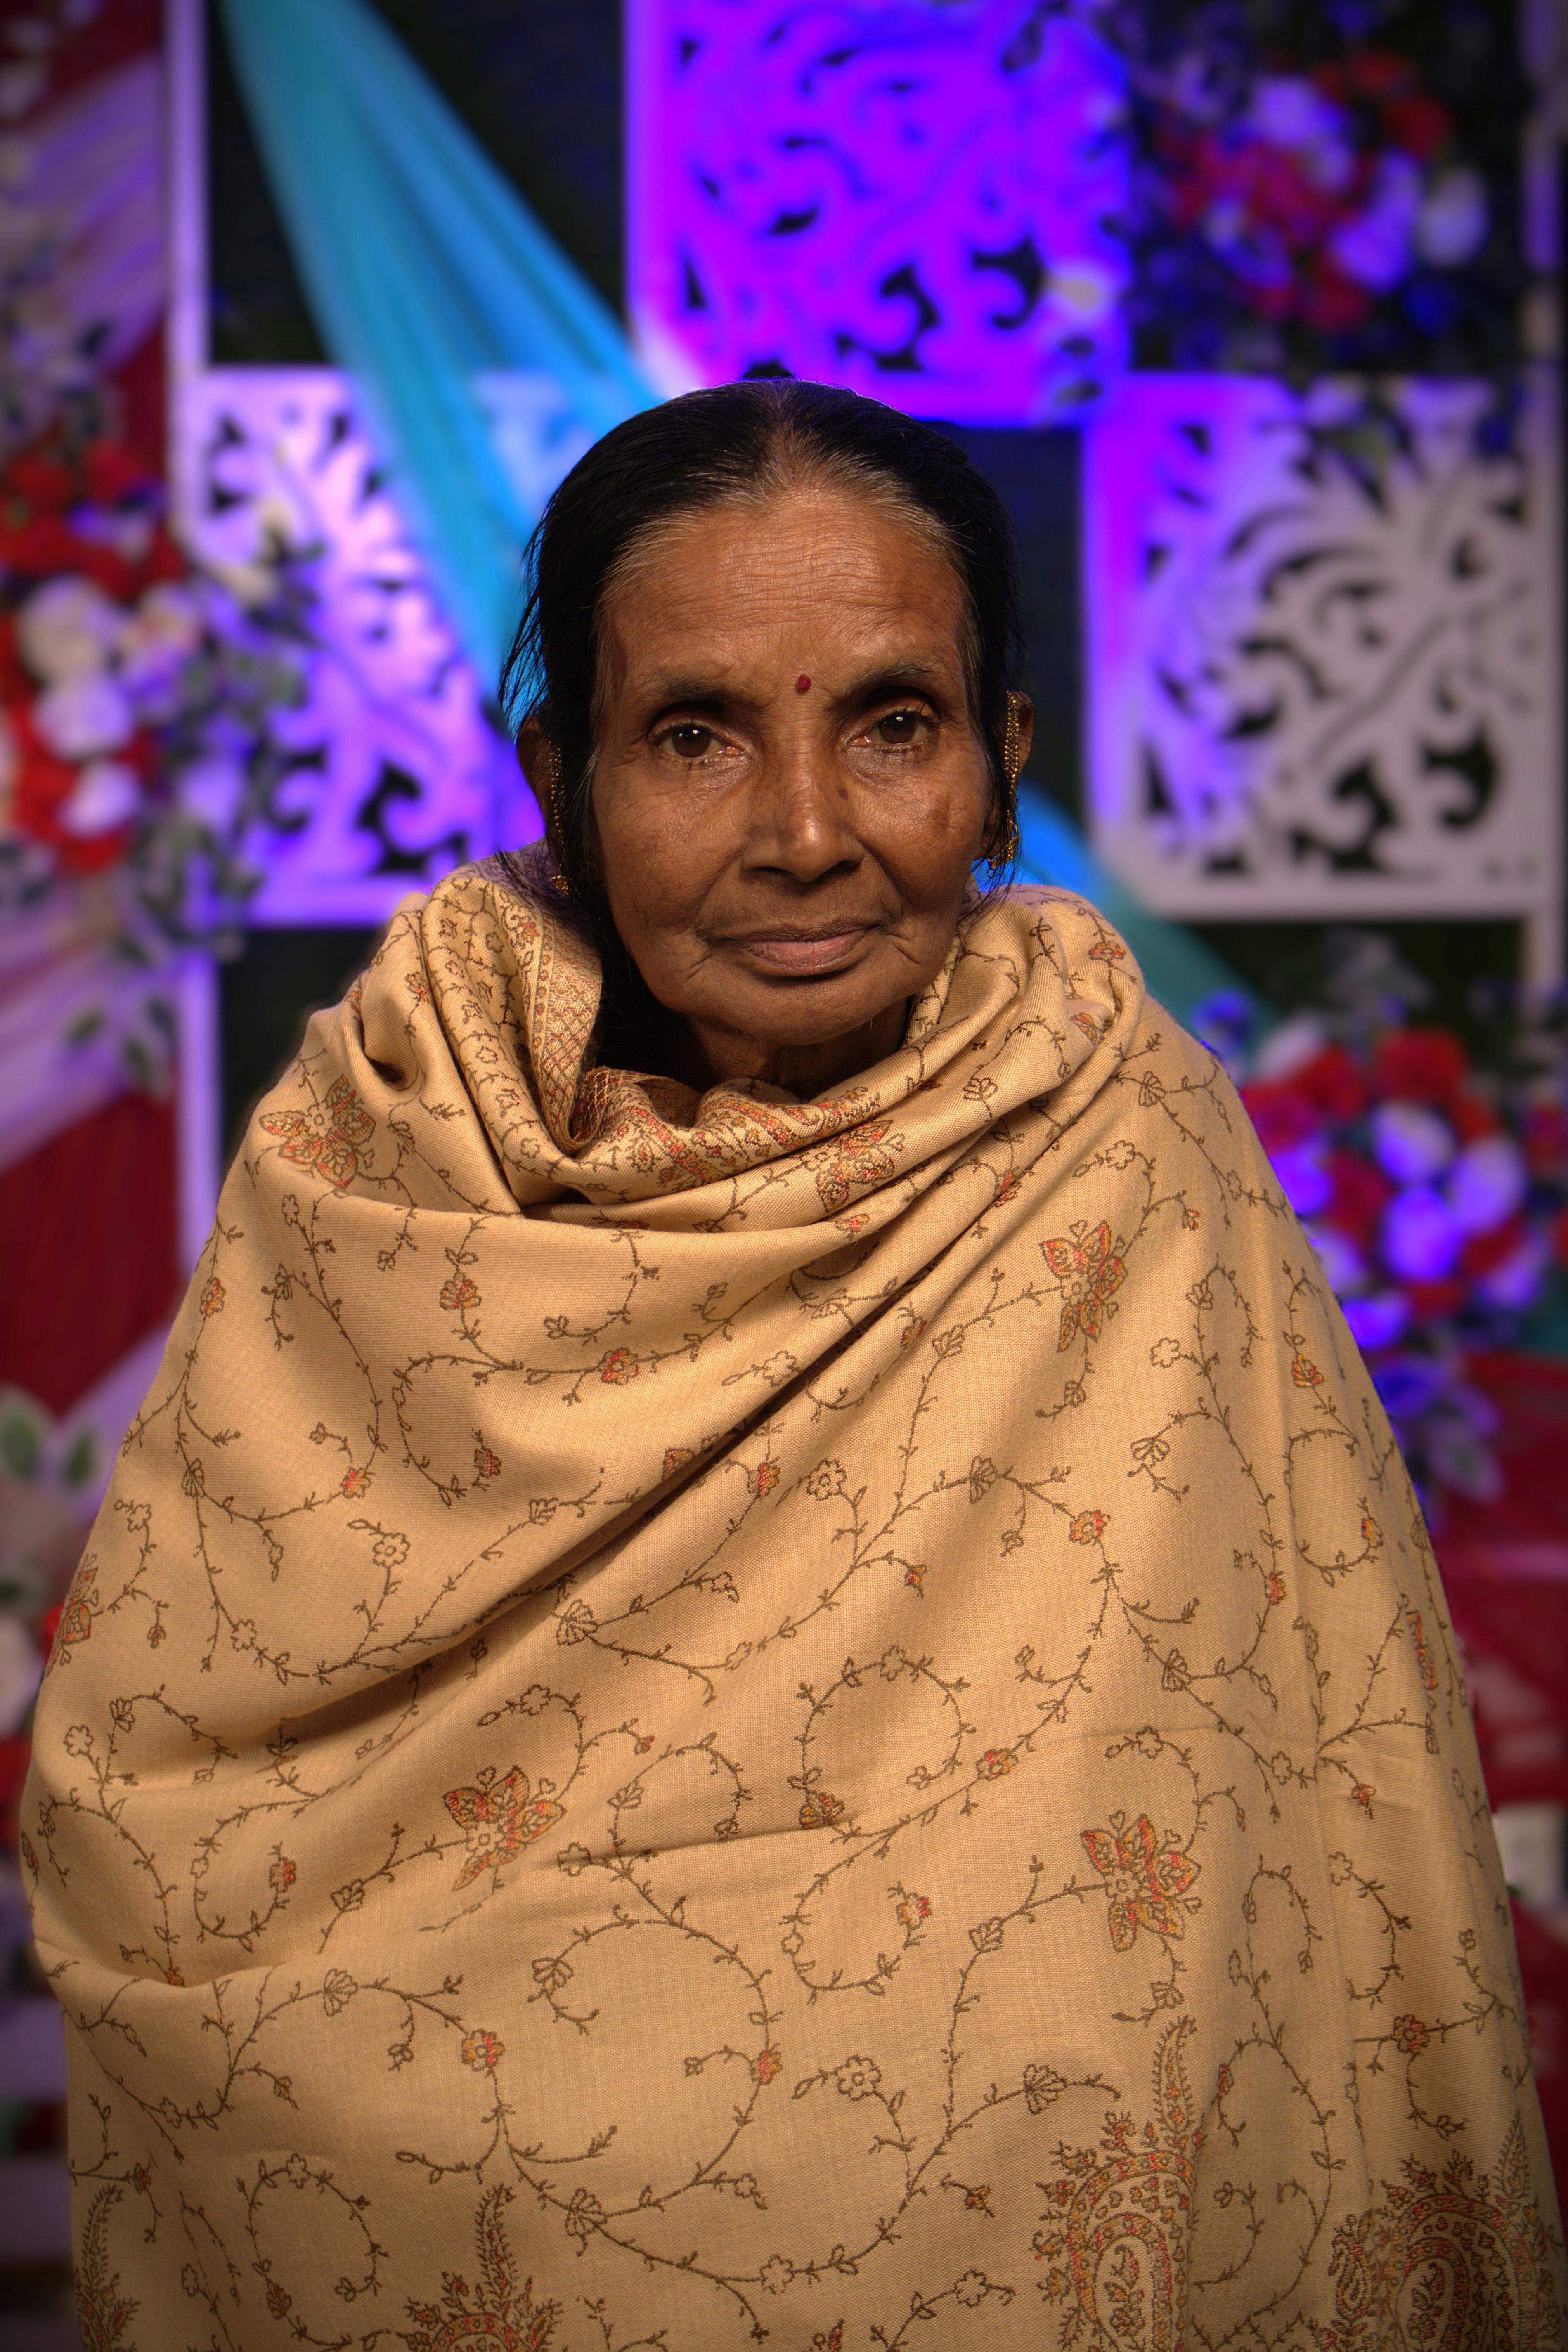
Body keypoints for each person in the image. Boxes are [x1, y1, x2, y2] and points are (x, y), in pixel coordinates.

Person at [24, 383, 1565, 2347]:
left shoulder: (1117, 1153)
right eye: (694, 738)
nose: (808, 833)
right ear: (558, 785)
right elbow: (178, 1804)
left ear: (1001, 772)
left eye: (892, 725)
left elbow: (1290, 1851)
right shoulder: (388, 1167)